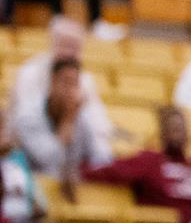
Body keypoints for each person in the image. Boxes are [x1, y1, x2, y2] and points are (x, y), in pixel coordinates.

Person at [6, 17, 116, 148]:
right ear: (52, 45)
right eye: (65, 45)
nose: (69, 53)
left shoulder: (86, 81)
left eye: (74, 47)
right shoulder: (29, 73)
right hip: (26, 149)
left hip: (71, 150)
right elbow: (24, 121)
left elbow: (99, 123)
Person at [12, 57, 112, 177]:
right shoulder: (28, 115)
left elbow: (102, 158)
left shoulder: (83, 115)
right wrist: (68, 120)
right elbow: (47, 162)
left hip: (73, 184)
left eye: (75, 84)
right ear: (52, 83)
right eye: (66, 82)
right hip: (33, 183)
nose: (70, 90)